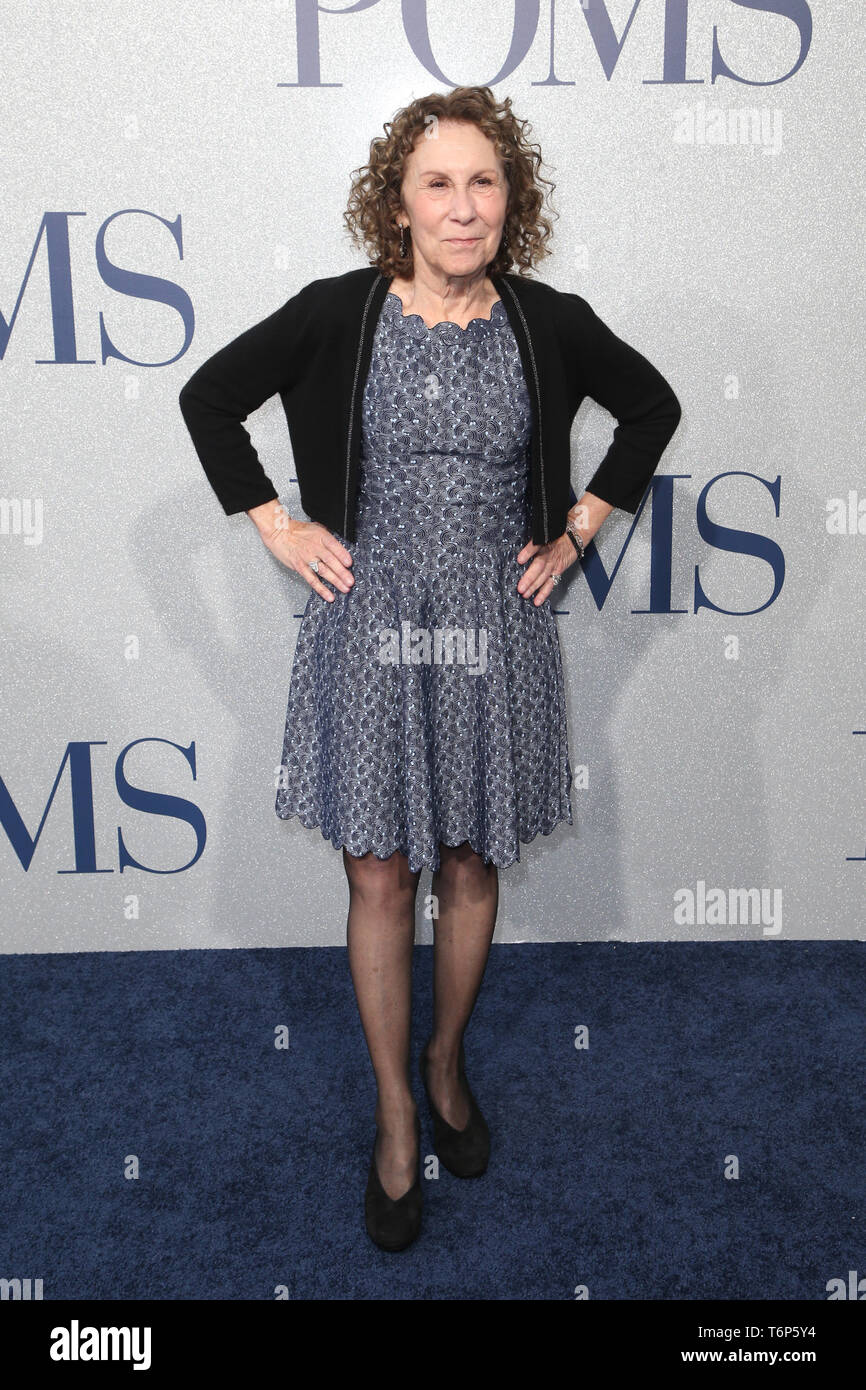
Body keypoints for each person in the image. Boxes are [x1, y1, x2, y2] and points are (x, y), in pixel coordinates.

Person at [178, 85, 681, 1253]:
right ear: (395, 205)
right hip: (368, 626)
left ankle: (446, 1060)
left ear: (513, 200)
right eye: (437, 184)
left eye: (484, 182)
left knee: (464, 857)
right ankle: (396, 1114)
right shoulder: (336, 313)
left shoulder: (542, 320)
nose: (463, 207)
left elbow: (648, 406)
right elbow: (209, 399)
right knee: (376, 876)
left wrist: (576, 529)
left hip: (493, 629)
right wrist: (275, 523)